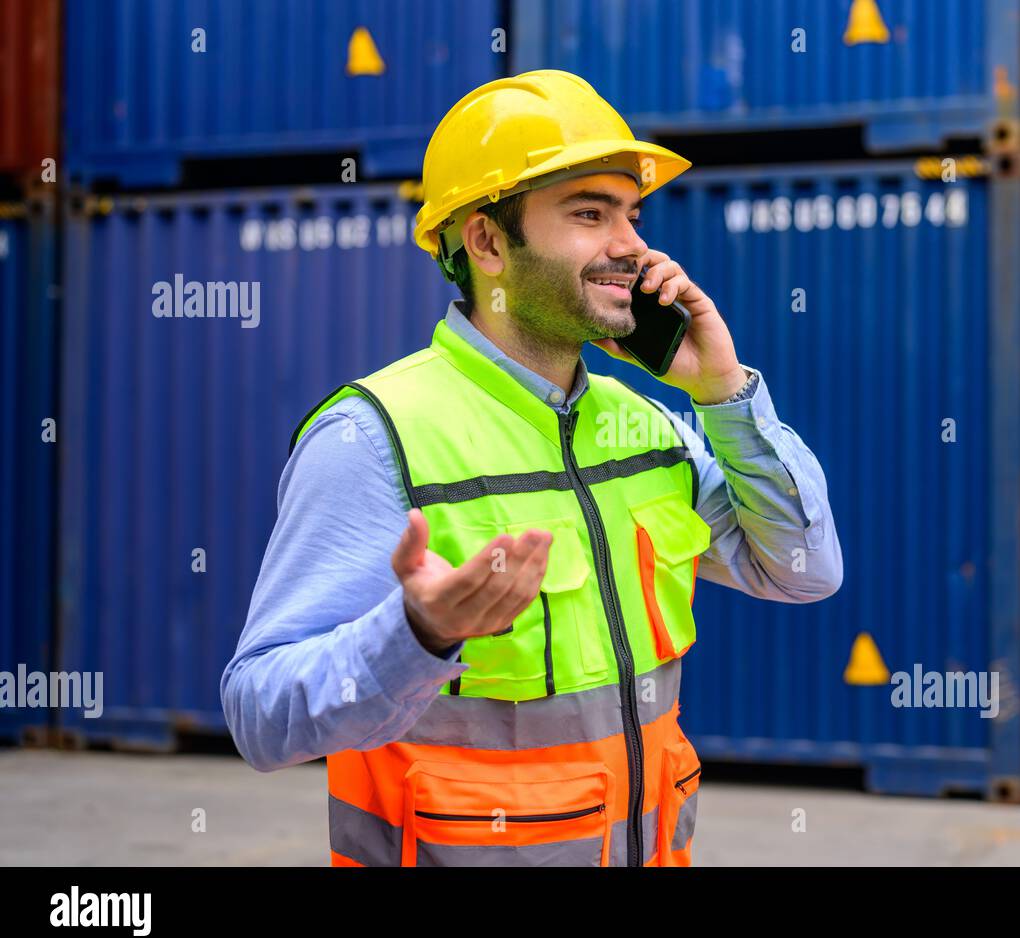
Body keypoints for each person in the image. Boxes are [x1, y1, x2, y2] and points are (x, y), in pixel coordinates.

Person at [221, 70, 842, 867]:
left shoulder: (645, 425)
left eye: (632, 214)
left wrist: (723, 393)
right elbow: (260, 719)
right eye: (589, 214)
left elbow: (803, 571)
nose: (632, 246)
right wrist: (417, 634)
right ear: (486, 241)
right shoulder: (375, 436)